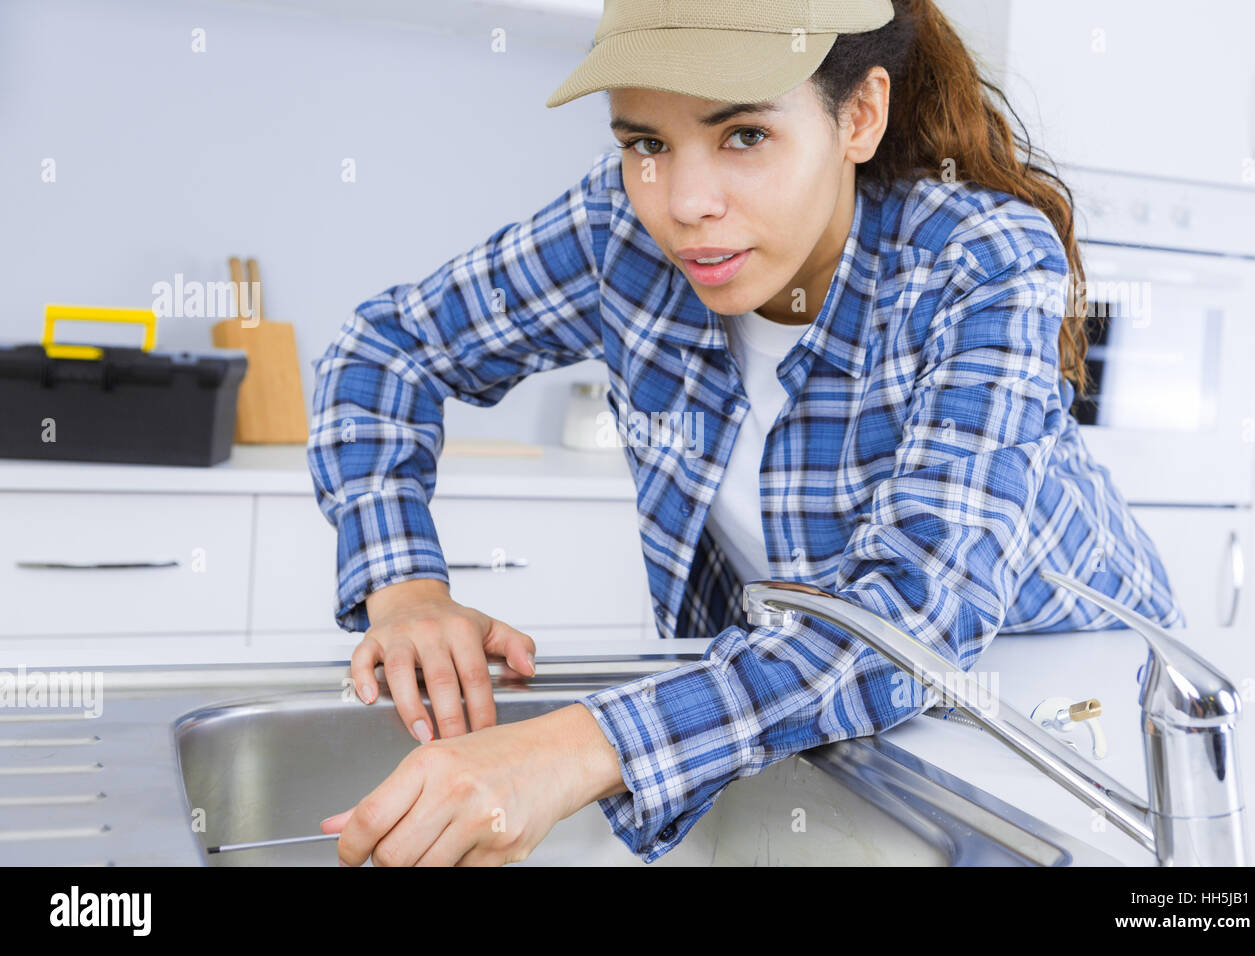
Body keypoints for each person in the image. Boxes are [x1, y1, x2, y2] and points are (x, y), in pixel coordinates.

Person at [306, 0, 1183, 866]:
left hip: (1072, 713)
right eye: (645, 143)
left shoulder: (978, 260)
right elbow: (389, 349)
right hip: (824, 702)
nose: (684, 204)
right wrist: (406, 591)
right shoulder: (620, 234)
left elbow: (917, 617)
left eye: (745, 137)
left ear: (860, 117)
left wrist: (565, 751)